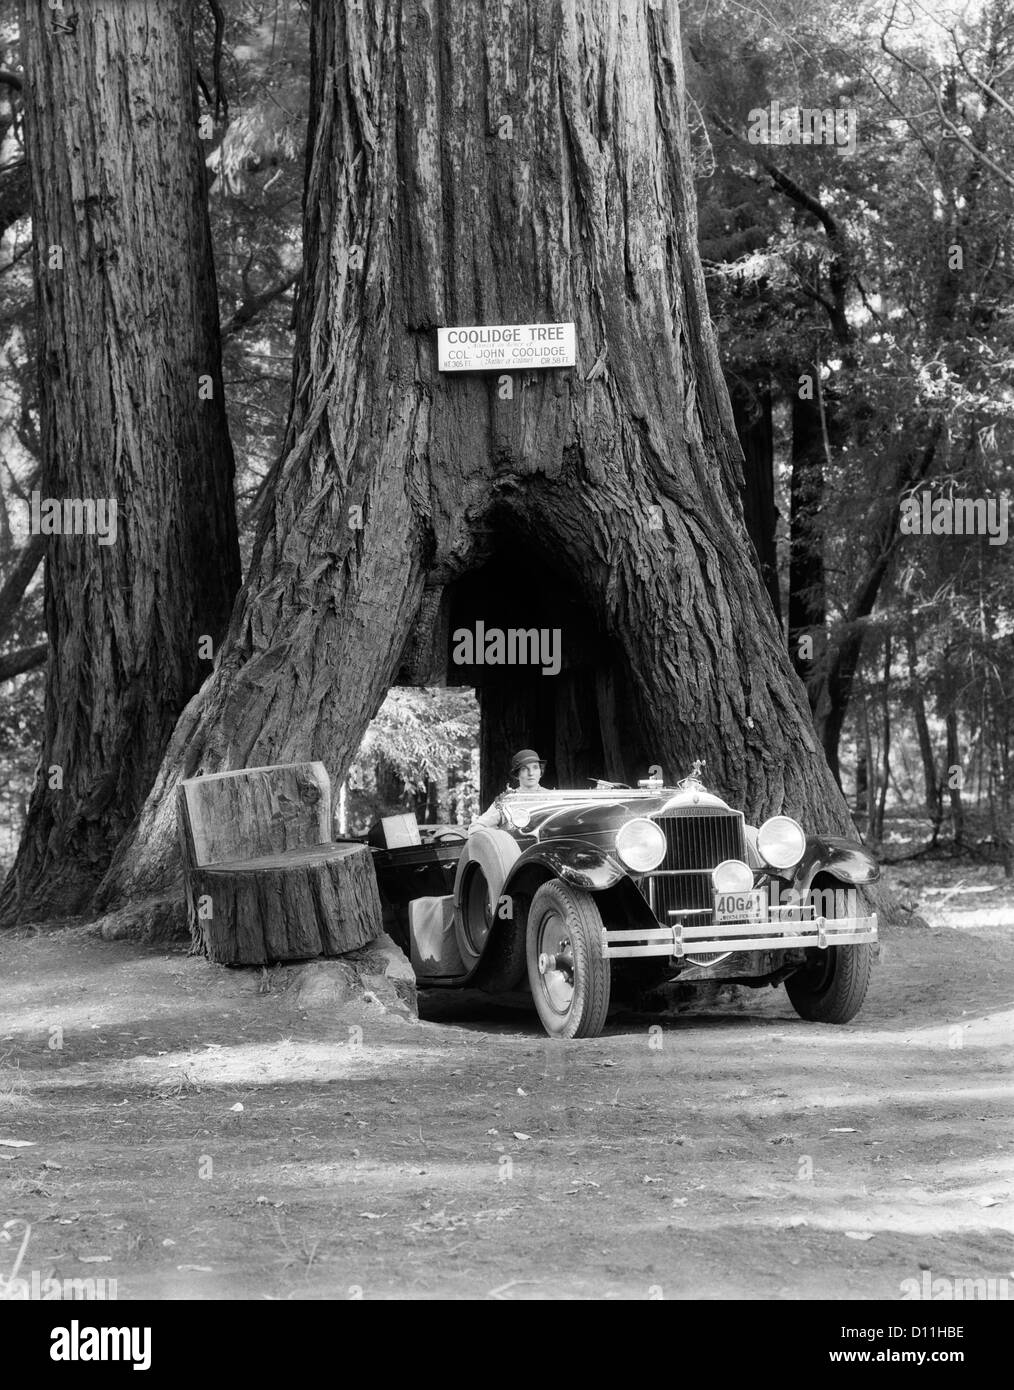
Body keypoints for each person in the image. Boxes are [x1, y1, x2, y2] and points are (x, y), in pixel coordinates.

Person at [470, 748, 546, 831]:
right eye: (524, 769)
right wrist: (501, 835)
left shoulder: (554, 797)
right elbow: (476, 828)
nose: (531, 773)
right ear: (517, 774)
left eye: (535, 767)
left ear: (540, 772)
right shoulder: (506, 801)